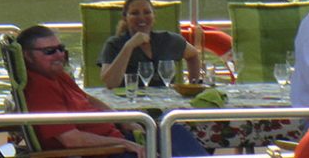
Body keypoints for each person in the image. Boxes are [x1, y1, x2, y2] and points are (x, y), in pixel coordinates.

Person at [17, 25, 208, 157]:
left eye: (61, 49)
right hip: (106, 153)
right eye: (49, 51)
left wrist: (123, 119)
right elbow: (72, 140)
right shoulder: (39, 88)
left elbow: (87, 99)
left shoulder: (56, 75)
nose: (59, 55)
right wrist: (126, 144)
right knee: (169, 134)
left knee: (170, 126)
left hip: (116, 142)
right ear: (28, 56)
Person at [98, 0, 202, 89]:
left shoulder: (168, 40)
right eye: (135, 13)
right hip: (129, 104)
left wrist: (193, 85)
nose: (142, 17)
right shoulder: (114, 44)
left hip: (166, 103)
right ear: (125, 18)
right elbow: (111, 84)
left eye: (147, 12)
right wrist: (129, 46)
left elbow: (193, 55)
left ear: (154, 16)